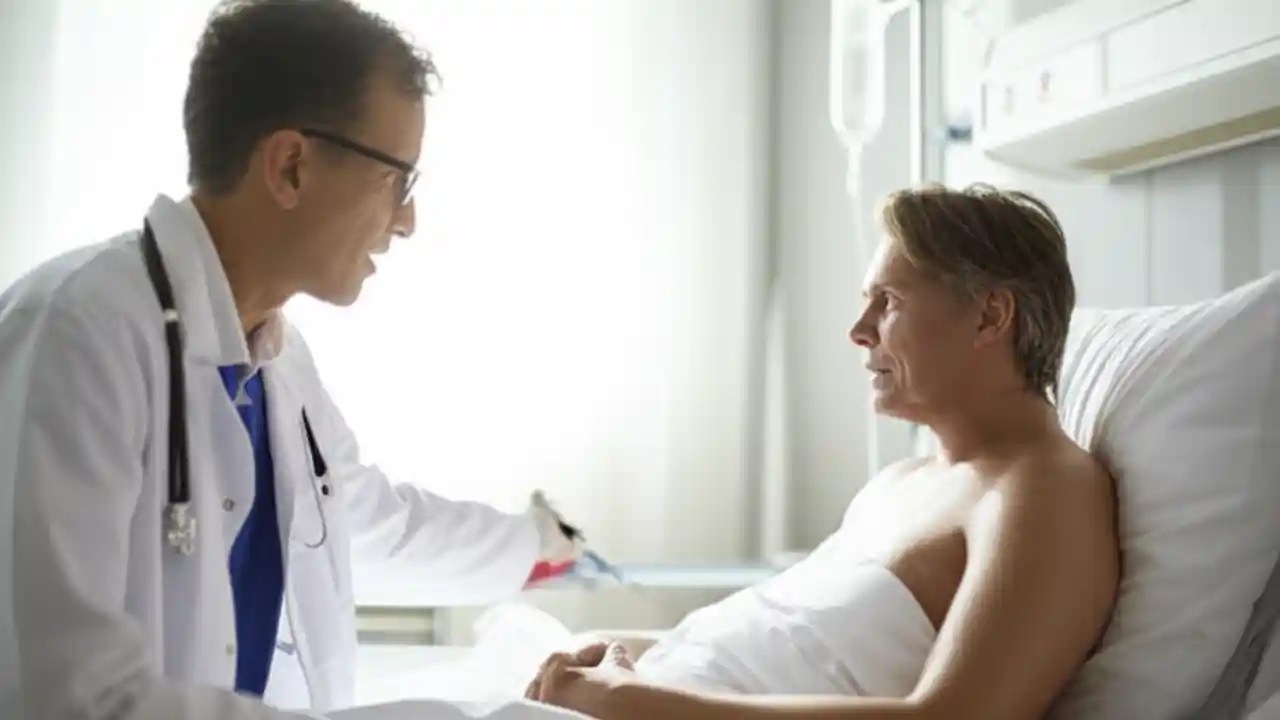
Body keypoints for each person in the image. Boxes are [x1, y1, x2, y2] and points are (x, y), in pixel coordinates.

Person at [0, 1, 586, 718]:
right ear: (291, 166)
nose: (407, 220)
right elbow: (68, 695)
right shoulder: (77, 330)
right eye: (398, 179)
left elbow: (362, 520)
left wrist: (534, 548)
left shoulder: (275, 357)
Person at [525, 184, 1121, 720]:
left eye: (888, 301)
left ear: (991, 314)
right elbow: (789, 648)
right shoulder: (900, 483)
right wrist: (620, 651)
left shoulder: (1042, 491)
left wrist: (632, 703)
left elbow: (954, 719)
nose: (859, 329)